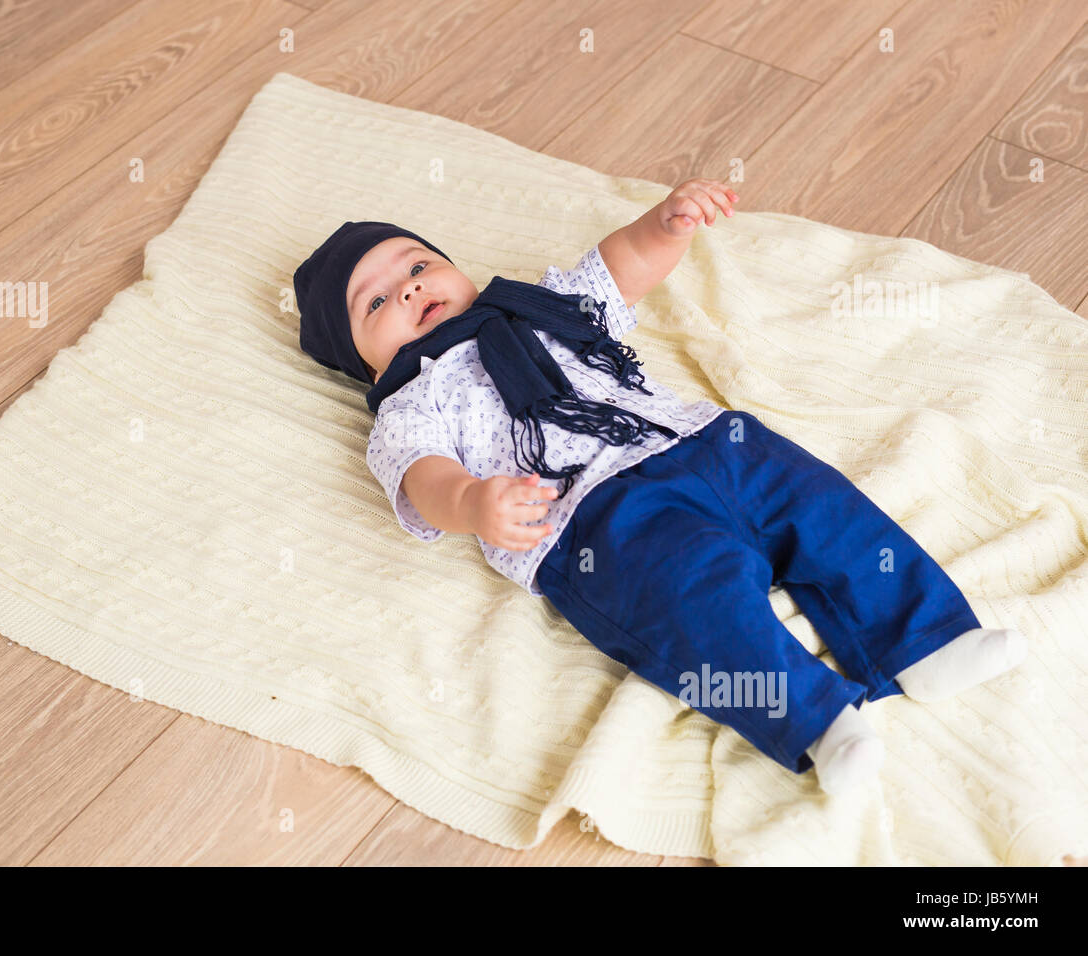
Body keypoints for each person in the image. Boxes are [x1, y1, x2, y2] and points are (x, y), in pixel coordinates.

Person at [292, 179, 1028, 795]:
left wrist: (666, 225)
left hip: (711, 442)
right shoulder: (407, 407)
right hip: (596, 521)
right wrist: (475, 504)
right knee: (699, 606)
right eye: (377, 302)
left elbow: (619, 267)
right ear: (361, 359)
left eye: (415, 264)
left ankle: (927, 637)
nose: (409, 287)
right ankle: (819, 722)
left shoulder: (536, 305)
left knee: (827, 512)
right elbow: (426, 481)